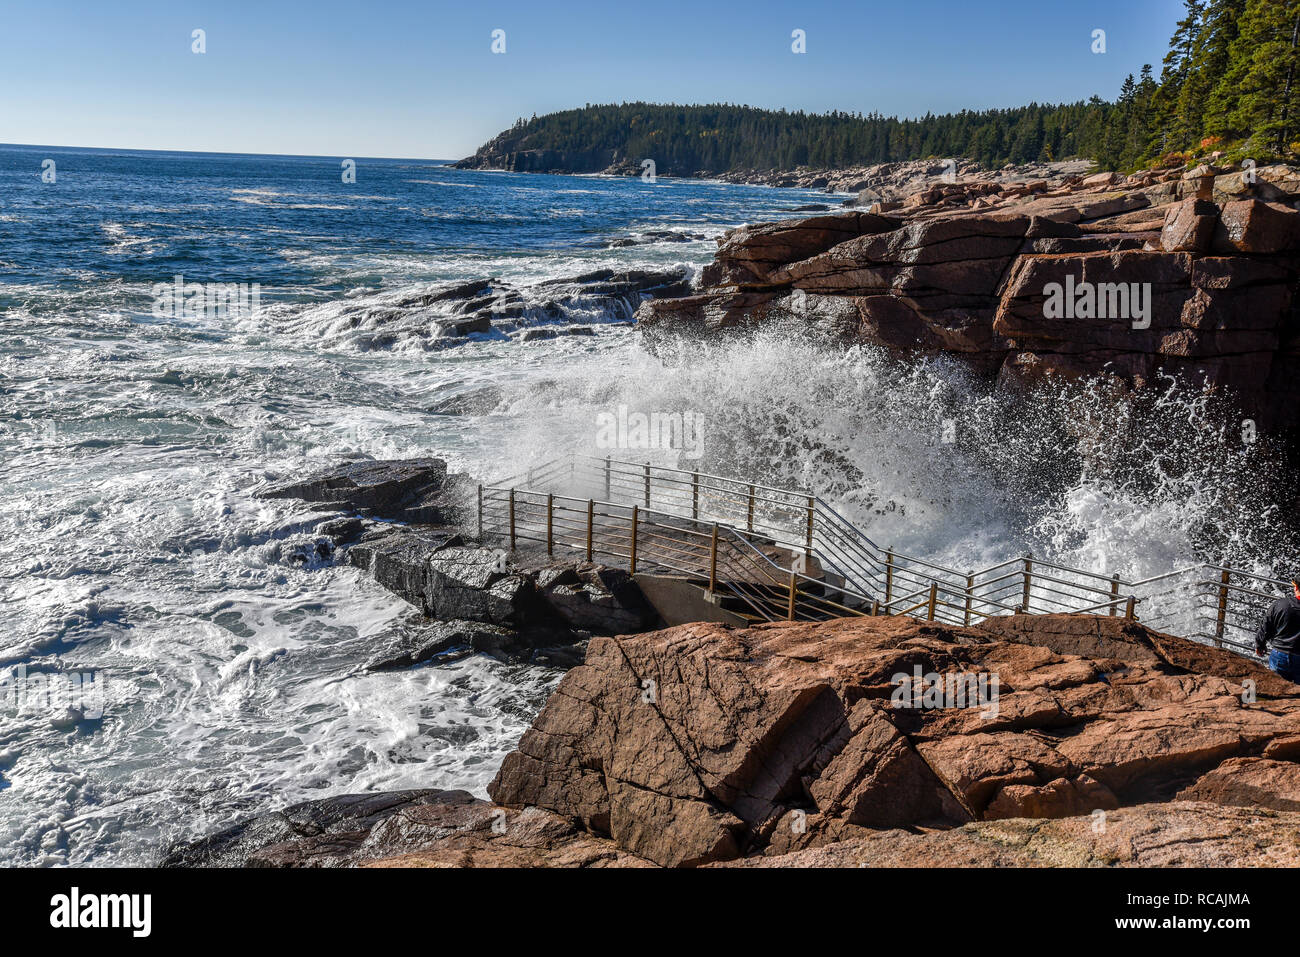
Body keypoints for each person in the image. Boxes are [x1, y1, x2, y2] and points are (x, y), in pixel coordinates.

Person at [1255, 578, 1300, 682]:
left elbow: (1265, 627)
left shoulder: (1280, 604)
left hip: (1280, 654)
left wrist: (1260, 645)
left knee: (1277, 687)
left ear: (1296, 587)